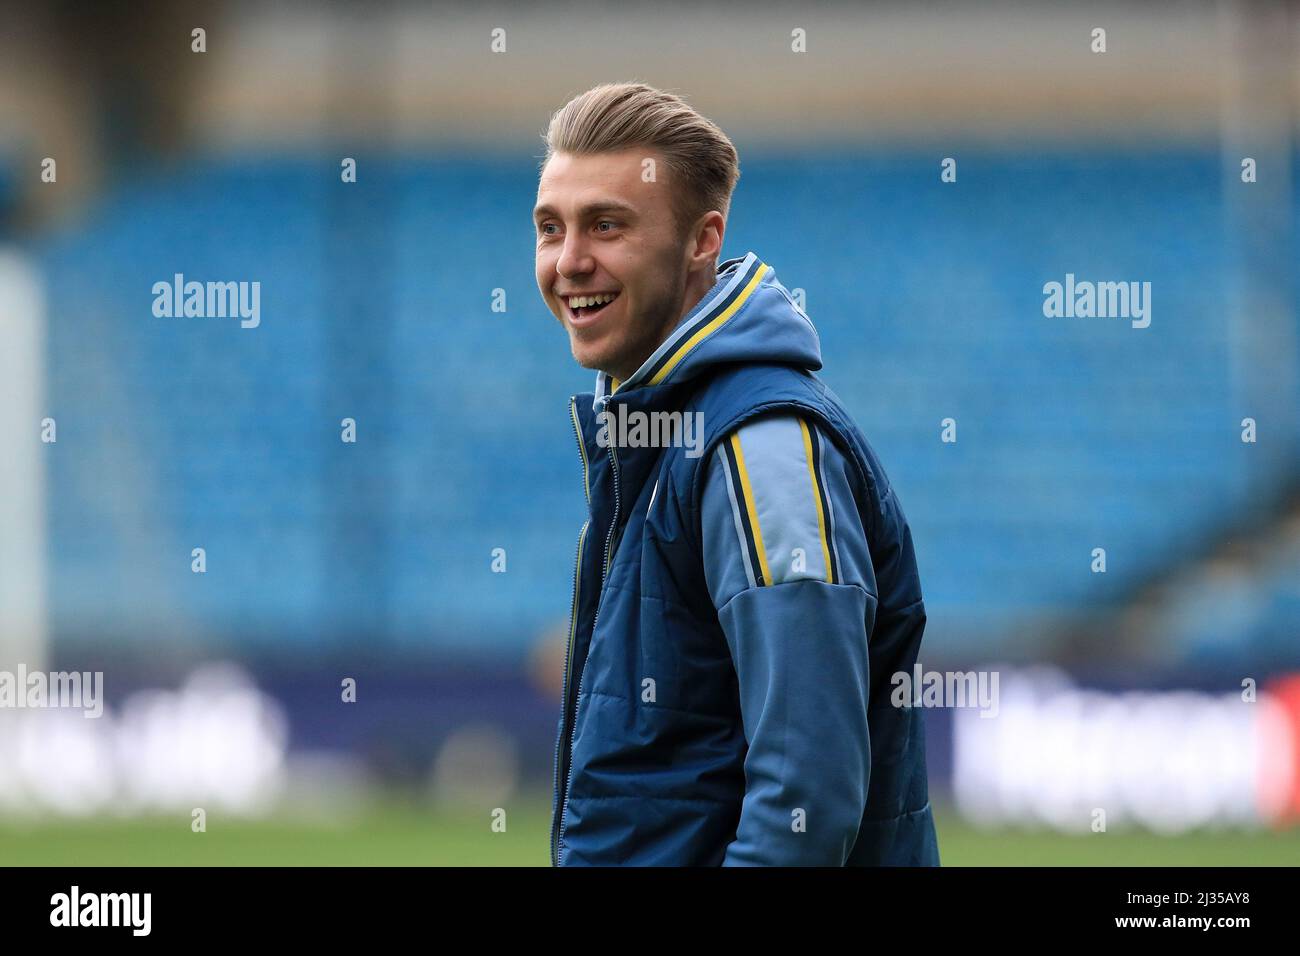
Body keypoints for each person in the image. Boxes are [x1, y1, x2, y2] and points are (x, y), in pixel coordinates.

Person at [533, 82, 939, 866]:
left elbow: (806, 797)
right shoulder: (663, 432)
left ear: (701, 241)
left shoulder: (760, 446)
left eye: (607, 225)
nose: (570, 261)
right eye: (551, 228)